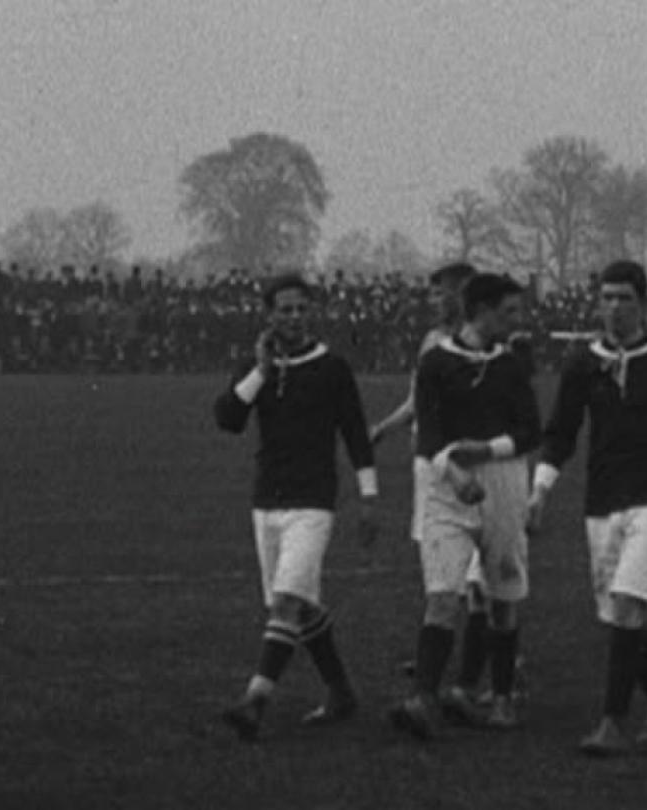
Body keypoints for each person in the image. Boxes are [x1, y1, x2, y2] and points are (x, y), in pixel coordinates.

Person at [530, 260, 647, 757]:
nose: (614, 307)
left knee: (629, 602)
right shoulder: (582, 364)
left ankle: (611, 722)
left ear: (644, 304)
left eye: (624, 298)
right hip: (601, 503)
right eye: (606, 298)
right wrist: (541, 490)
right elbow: (561, 432)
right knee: (621, 615)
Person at [213, 273, 379, 742]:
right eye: (284, 310)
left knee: (286, 602)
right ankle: (341, 691)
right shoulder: (258, 366)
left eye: (300, 308)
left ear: (312, 311)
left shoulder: (332, 368)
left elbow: (355, 433)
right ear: (269, 315)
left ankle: (255, 700)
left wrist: (369, 497)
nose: (293, 317)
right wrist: (262, 371)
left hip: (314, 502)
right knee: (298, 609)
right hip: (267, 500)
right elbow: (227, 419)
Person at [390, 272, 540, 738]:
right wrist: (454, 469)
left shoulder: (512, 366)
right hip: (445, 482)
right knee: (442, 595)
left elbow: (531, 431)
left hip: (503, 483)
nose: (519, 320)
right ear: (481, 311)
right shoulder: (435, 362)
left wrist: (486, 450)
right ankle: (424, 700)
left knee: (500, 597)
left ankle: (499, 698)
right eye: (510, 311)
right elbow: (430, 429)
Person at [368, 262, 496, 723]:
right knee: (441, 572)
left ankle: (477, 677)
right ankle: (438, 664)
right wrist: (383, 428)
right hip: (431, 464)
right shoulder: (430, 343)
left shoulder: (491, 343)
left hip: (471, 465)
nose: (436, 300)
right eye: (435, 293)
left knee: (480, 580)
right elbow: (416, 401)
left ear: (465, 294)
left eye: (444, 292)